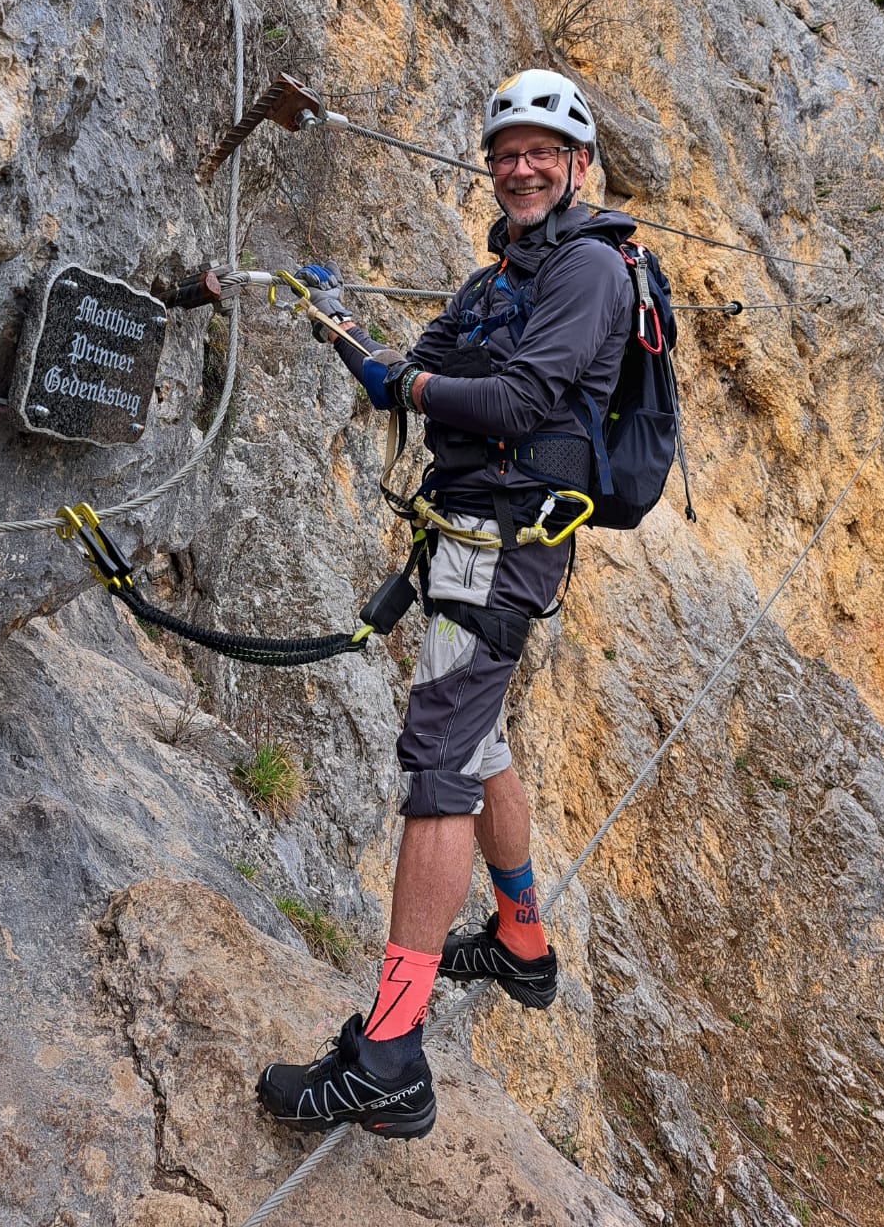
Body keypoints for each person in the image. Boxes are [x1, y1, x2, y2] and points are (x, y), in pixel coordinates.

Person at [257, 69, 637, 1140]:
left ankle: (389, 1052)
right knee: (484, 743)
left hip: (503, 547)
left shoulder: (591, 274)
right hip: (469, 534)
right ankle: (521, 940)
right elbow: (403, 373)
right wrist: (337, 330)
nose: (518, 165)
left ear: (576, 166)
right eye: (505, 149)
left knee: (438, 768)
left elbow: (516, 400)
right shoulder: (491, 284)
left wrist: (413, 389)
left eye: (540, 151)